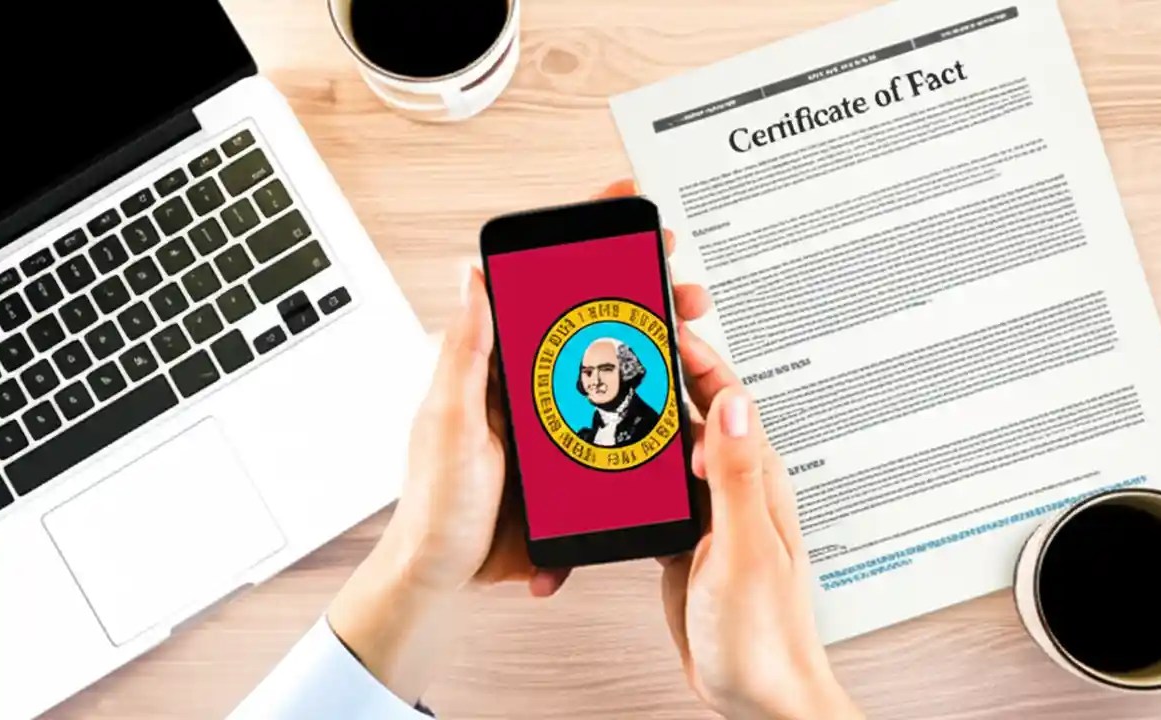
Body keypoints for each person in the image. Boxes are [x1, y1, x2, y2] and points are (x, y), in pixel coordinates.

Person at [230, 182, 865, 720]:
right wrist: (789, 694)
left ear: (632, 373)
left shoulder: (642, 418)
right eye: (583, 374)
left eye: (602, 372)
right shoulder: (590, 428)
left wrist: (422, 567)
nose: (589, 383)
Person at [575, 337, 661, 448]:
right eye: (588, 372)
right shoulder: (589, 431)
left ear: (627, 372)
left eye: (606, 370)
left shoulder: (648, 424)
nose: (596, 381)